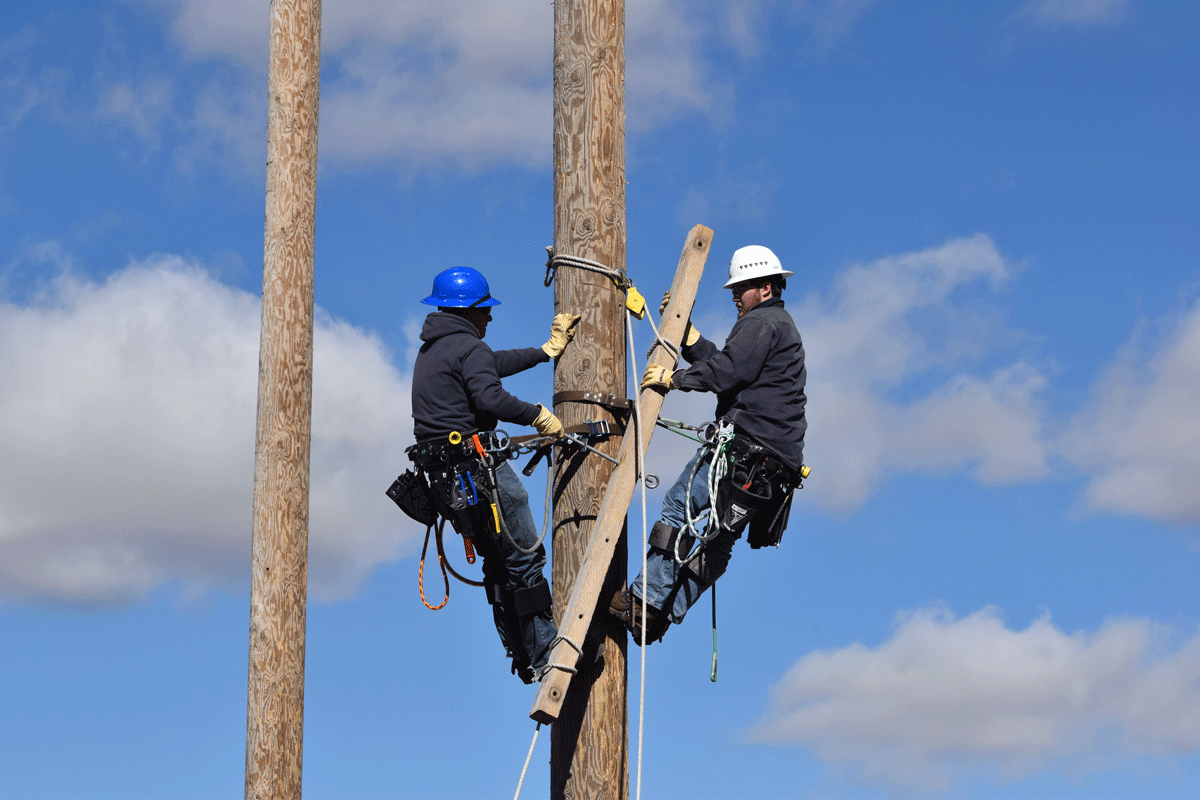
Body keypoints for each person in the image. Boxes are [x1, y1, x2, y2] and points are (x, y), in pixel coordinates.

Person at [611, 245, 807, 643]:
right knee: (719, 541)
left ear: (765, 288)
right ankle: (661, 616)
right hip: (772, 468)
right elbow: (736, 370)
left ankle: (644, 603)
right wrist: (692, 340)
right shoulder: (777, 326)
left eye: (742, 289)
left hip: (742, 453)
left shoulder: (762, 322)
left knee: (677, 509)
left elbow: (727, 371)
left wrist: (676, 379)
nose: (736, 296)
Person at [408, 265, 580, 682]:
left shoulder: (435, 350)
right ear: (469, 311)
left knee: (499, 568)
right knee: (524, 558)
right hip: (480, 471)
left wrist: (545, 351)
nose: (490, 317)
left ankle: (524, 657)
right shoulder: (469, 349)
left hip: (449, 484)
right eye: (485, 310)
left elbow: (492, 365)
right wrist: (536, 415)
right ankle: (547, 654)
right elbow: (489, 393)